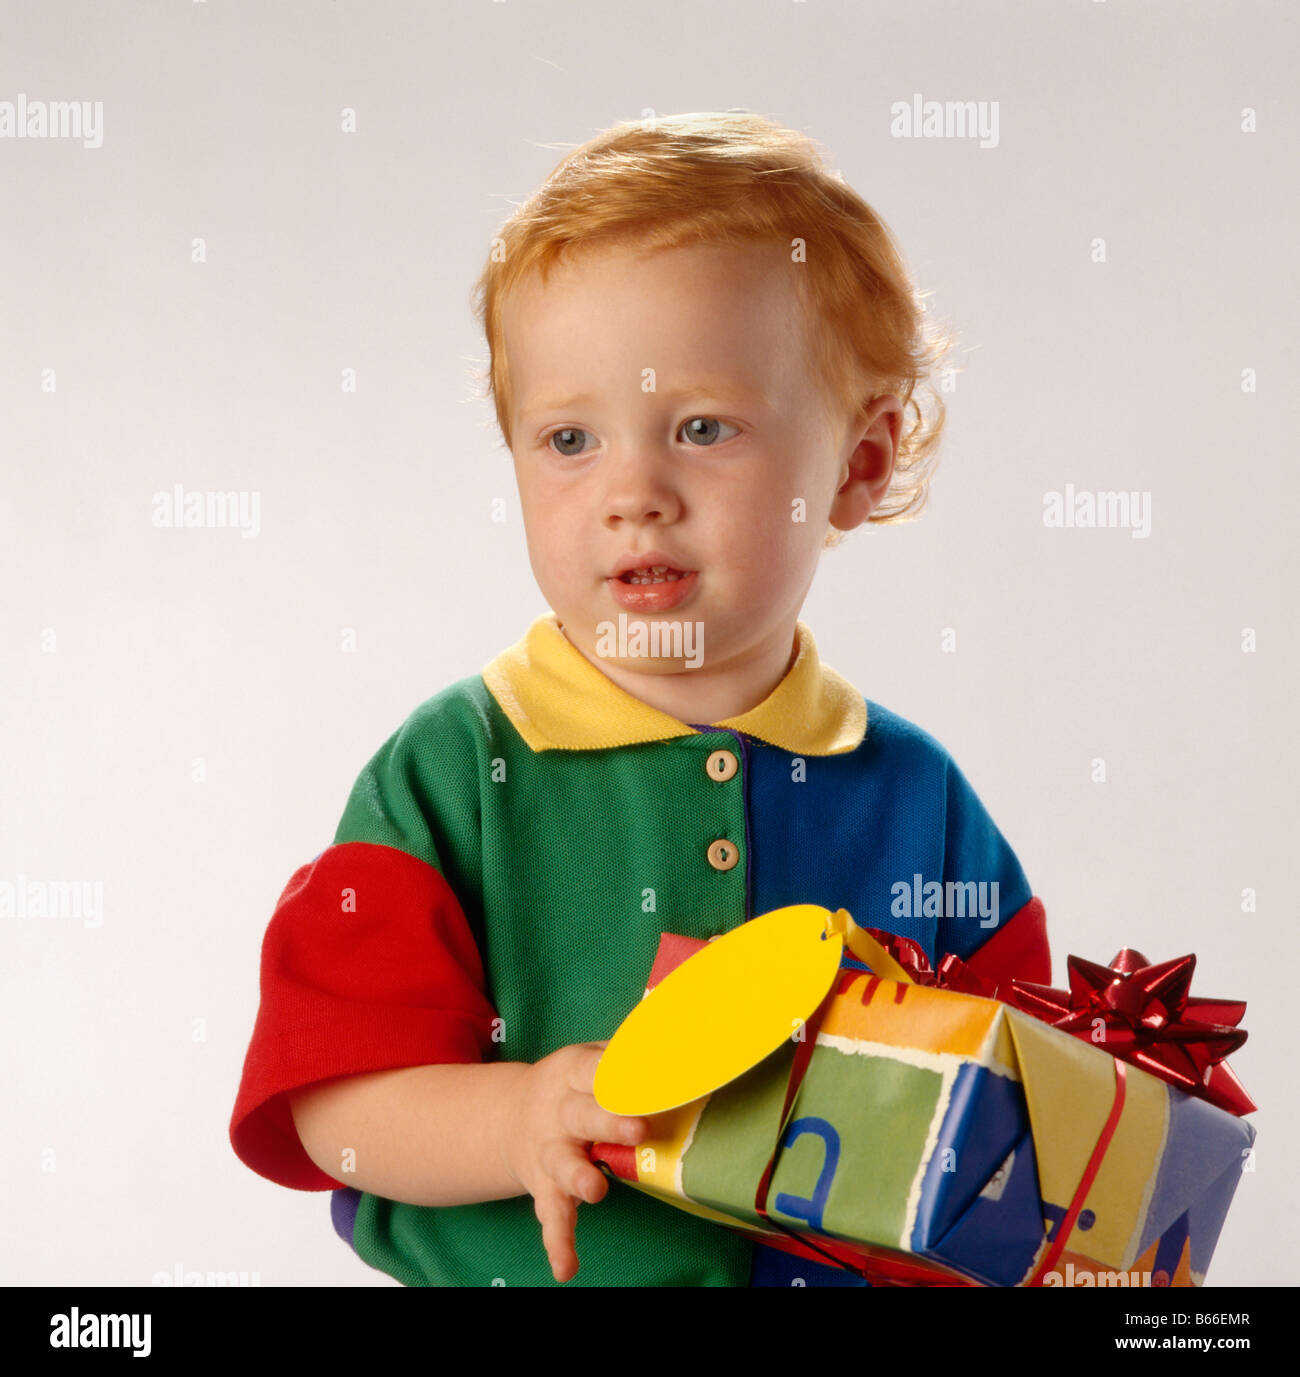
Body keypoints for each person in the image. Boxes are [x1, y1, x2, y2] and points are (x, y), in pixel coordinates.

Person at [229, 110, 1051, 1287]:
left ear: (858, 465)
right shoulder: (453, 769)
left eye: (702, 428)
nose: (633, 493)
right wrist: (515, 1121)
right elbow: (332, 1105)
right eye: (569, 439)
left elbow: (1020, 1114)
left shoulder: (914, 796)